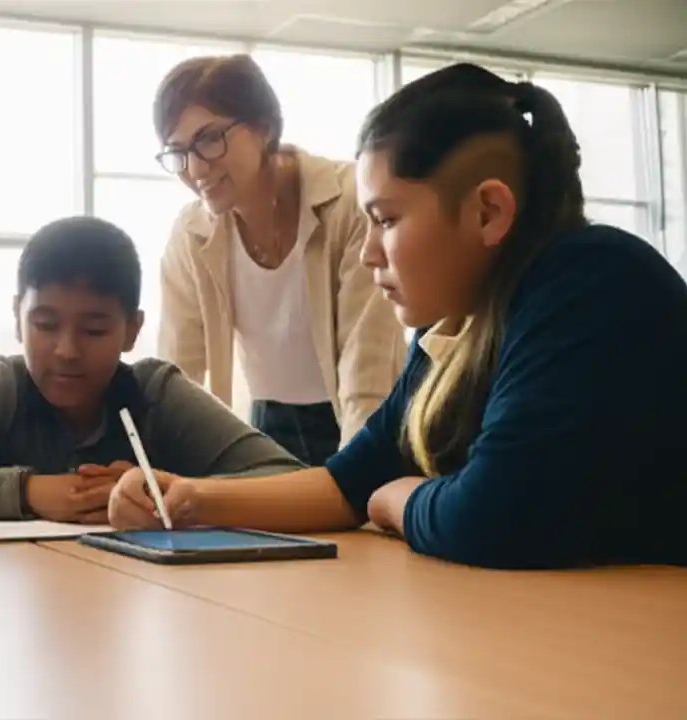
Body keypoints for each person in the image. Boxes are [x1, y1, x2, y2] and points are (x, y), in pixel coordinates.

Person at [110, 63, 687, 570]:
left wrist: (397, 499)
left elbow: (492, 516)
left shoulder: (589, 279)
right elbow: (346, 484)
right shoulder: (456, 325)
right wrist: (187, 497)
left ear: (488, 212)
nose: (368, 252)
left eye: (385, 220)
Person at [0, 217, 302, 521]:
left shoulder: (155, 392)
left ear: (131, 330)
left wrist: (167, 492)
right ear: (17, 318)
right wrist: (31, 492)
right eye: (45, 325)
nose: (66, 350)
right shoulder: (4, 387)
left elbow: (291, 482)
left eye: (93, 330)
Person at [155, 54, 405, 466]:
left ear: (263, 127)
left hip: (357, 417)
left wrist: (357, 479)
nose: (196, 167)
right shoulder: (192, 235)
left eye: (209, 138)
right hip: (267, 421)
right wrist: (164, 480)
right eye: (178, 151)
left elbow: (369, 370)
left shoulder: (350, 204)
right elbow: (176, 377)